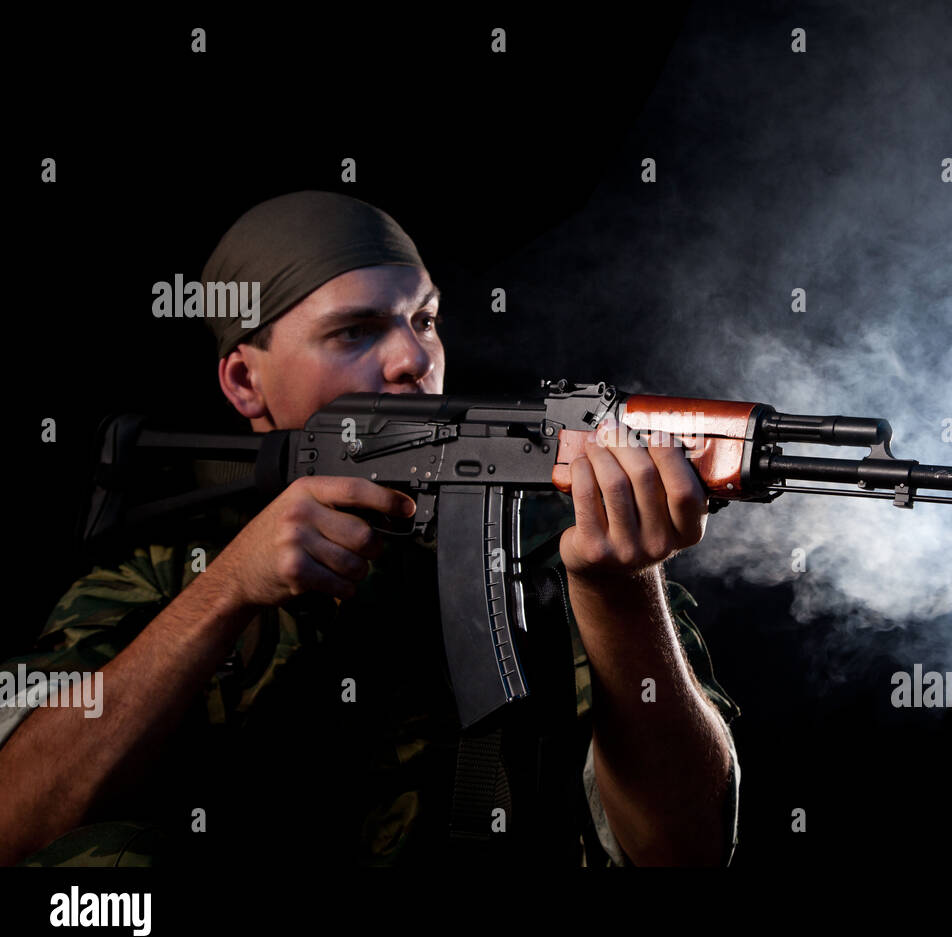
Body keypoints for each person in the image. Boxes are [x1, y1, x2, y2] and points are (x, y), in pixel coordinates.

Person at [0, 191, 740, 867]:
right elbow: (13, 822)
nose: (413, 359)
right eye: (354, 332)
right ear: (243, 382)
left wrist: (622, 593)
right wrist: (225, 592)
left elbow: (686, 853)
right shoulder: (167, 567)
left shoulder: (548, 542)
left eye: (424, 321)